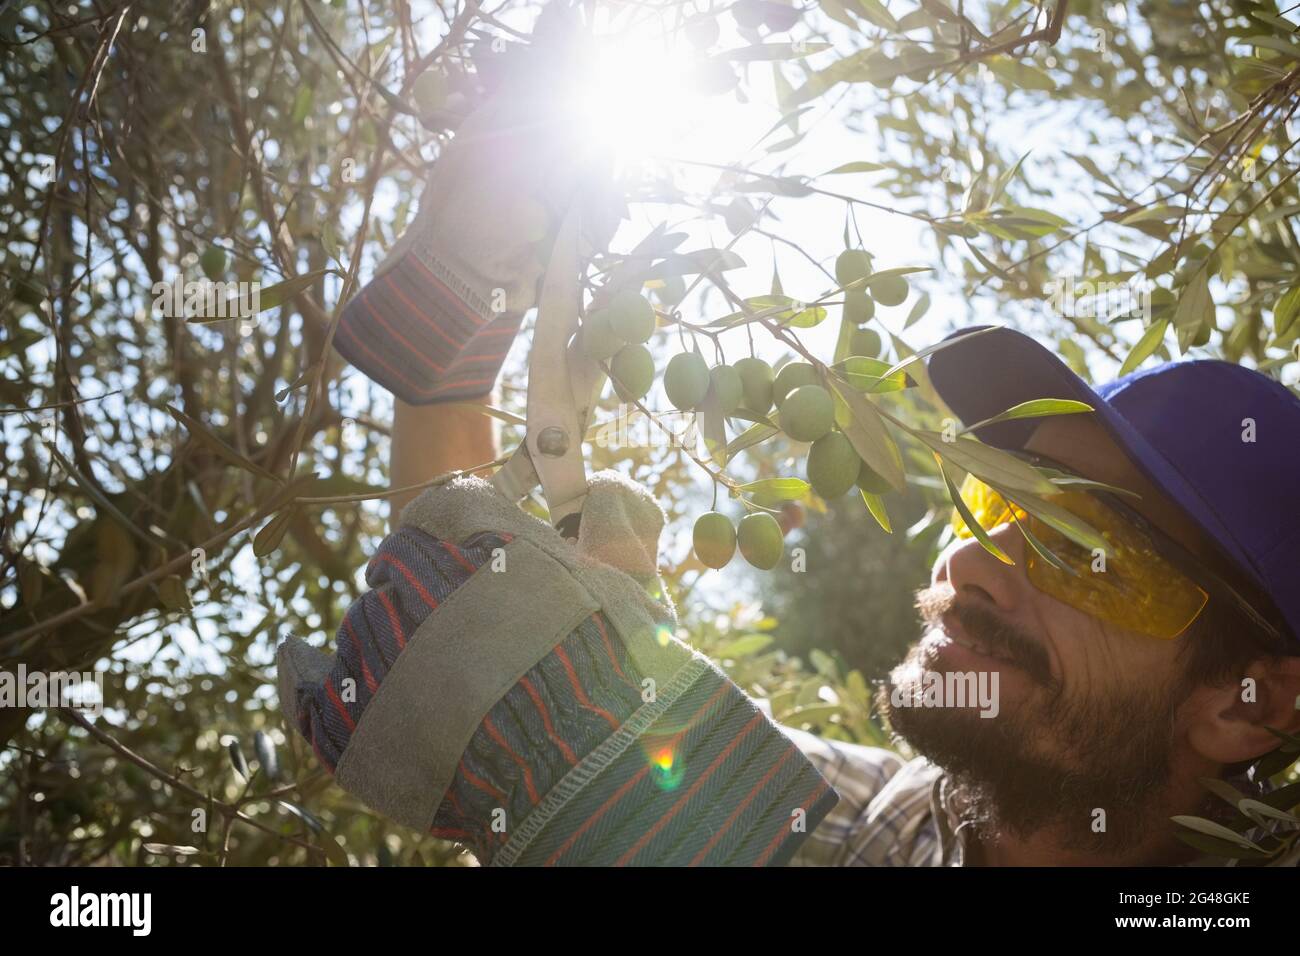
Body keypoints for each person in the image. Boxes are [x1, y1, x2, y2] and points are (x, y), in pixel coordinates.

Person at [311, 41, 1300, 866]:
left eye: (1088, 546)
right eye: (999, 508)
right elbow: (468, 606)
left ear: (1246, 704)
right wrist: (460, 313)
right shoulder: (863, 819)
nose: (969, 563)